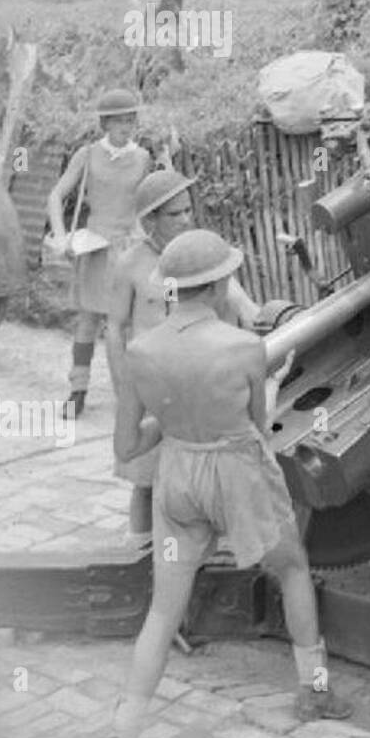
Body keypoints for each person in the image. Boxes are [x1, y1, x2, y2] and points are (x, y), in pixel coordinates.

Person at [92, 229, 349, 738]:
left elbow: (128, 447)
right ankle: (315, 692)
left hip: (178, 477)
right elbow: (257, 428)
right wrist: (276, 382)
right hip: (237, 473)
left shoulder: (141, 351)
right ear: (218, 285)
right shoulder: (243, 348)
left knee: (163, 612)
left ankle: (123, 734)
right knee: (293, 568)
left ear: (174, 291)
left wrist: (176, 422)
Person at [106, 170, 259, 543]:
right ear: (150, 221)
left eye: (188, 211)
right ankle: (137, 548)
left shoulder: (203, 257)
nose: (186, 219)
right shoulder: (131, 263)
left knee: (204, 472)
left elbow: (244, 306)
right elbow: (114, 328)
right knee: (144, 479)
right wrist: (121, 385)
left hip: (200, 384)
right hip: (151, 384)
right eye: (175, 214)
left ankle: (204, 551)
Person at [45, 88, 151, 416]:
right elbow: (55, 195)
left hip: (130, 248)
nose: (125, 126)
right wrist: (62, 238)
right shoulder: (87, 154)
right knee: (88, 320)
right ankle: (77, 390)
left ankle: (131, 395)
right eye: (118, 120)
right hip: (94, 245)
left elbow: (148, 204)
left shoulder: (144, 157)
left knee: (131, 326)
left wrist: (144, 236)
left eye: (130, 119)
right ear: (105, 122)